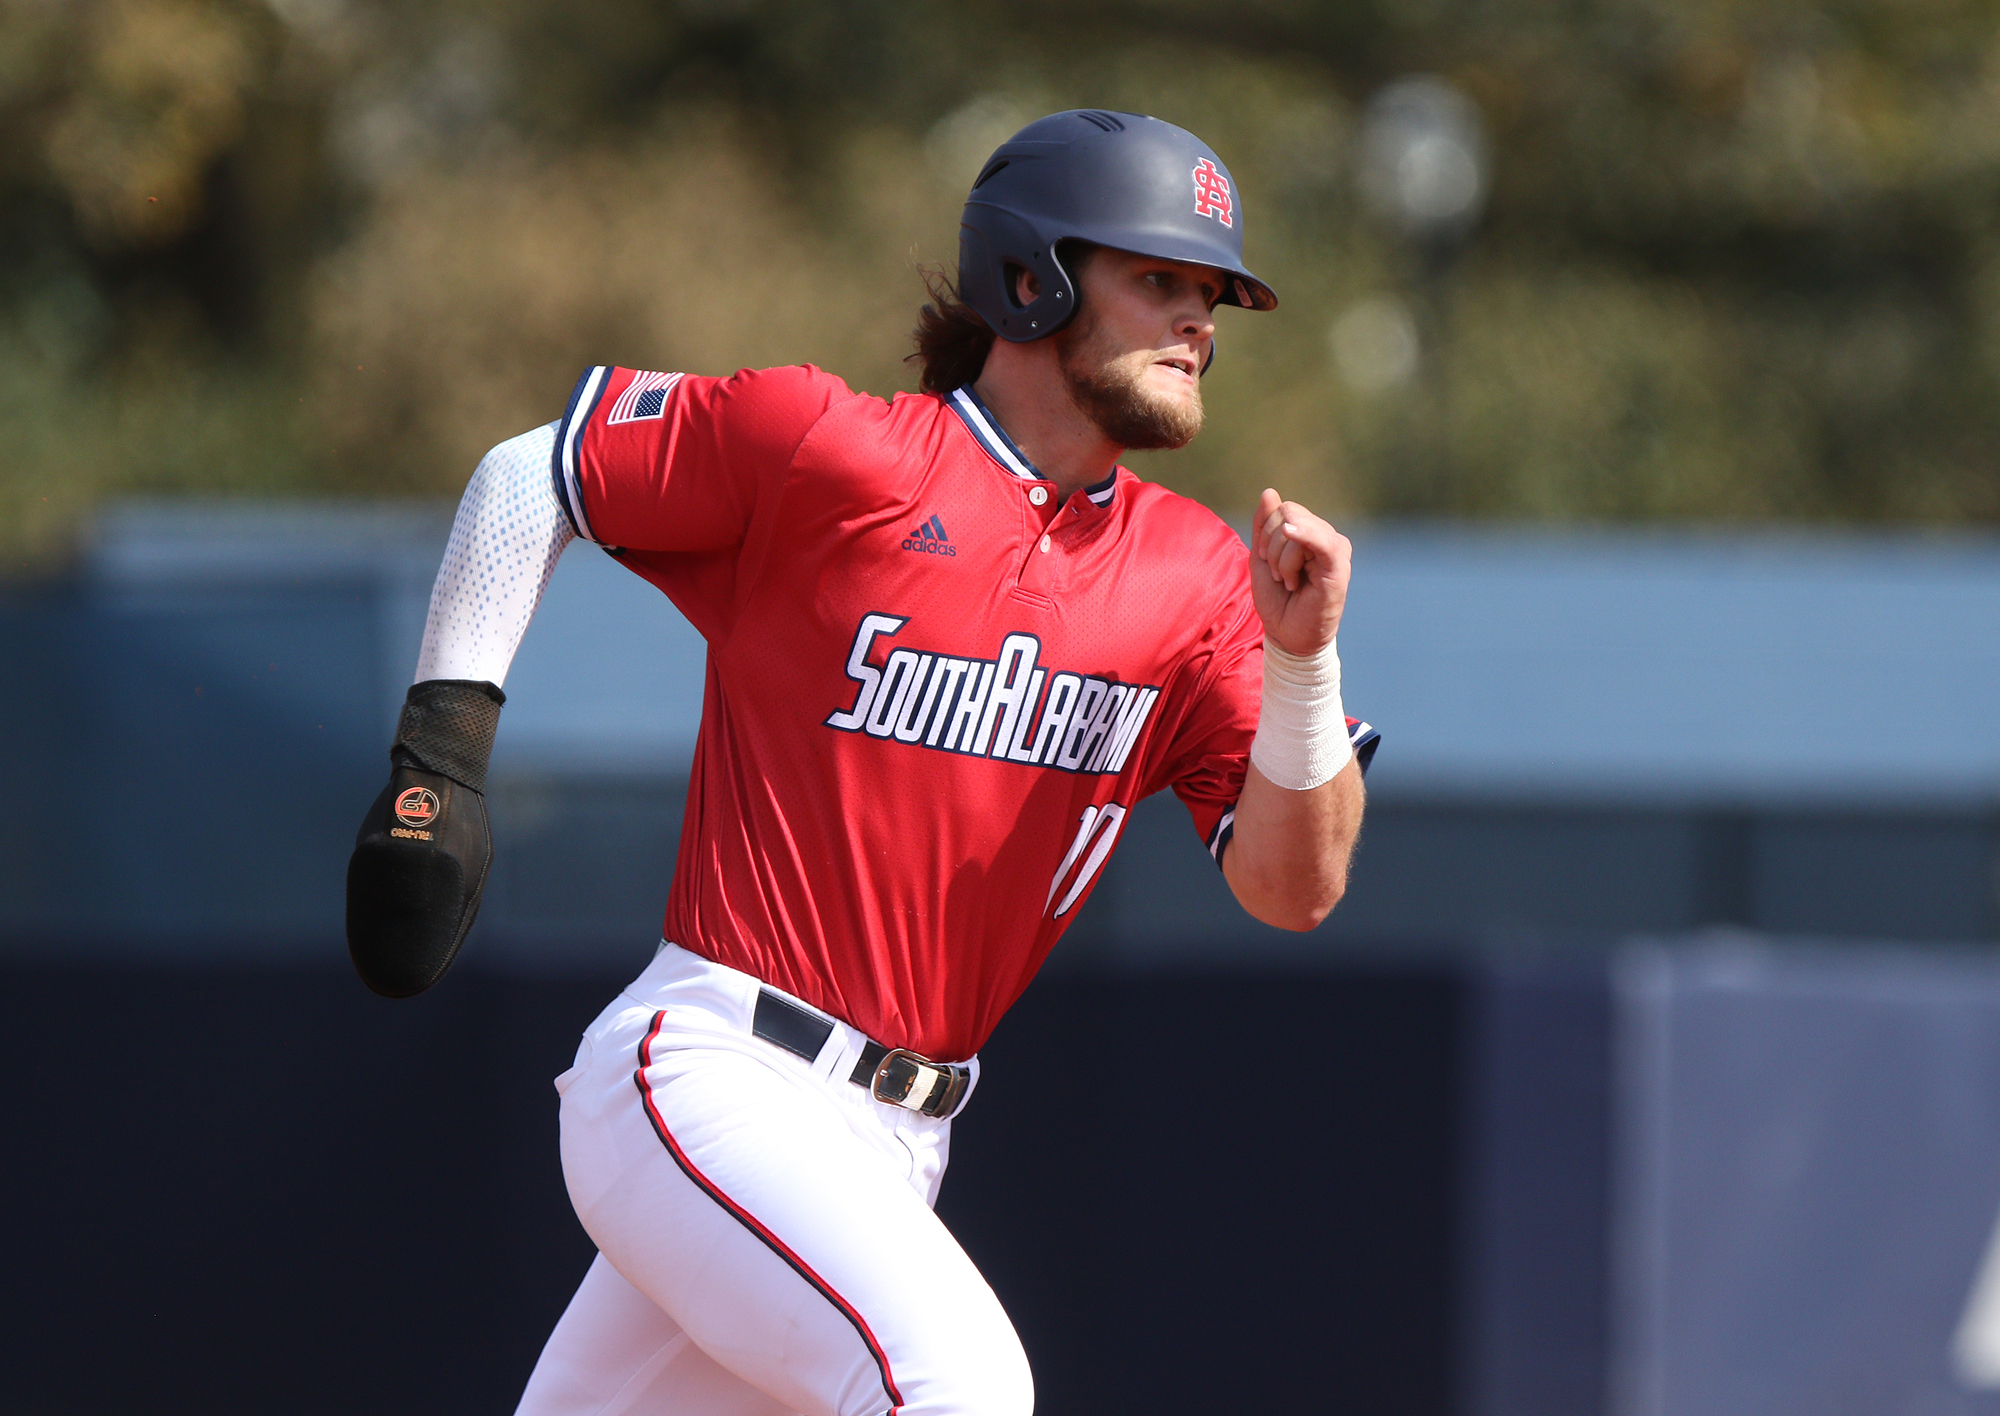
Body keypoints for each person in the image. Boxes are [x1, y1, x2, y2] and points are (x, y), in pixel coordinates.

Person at [345, 109, 1378, 1416]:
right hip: (712, 1072)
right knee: (960, 1386)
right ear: (1033, 277)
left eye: (1213, 294)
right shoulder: (836, 452)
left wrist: (1303, 668)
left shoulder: (1196, 582)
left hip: (896, 1143)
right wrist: (441, 759)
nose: (1201, 324)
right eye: (1159, 280)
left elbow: (1296, 886)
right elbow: (529, 477)